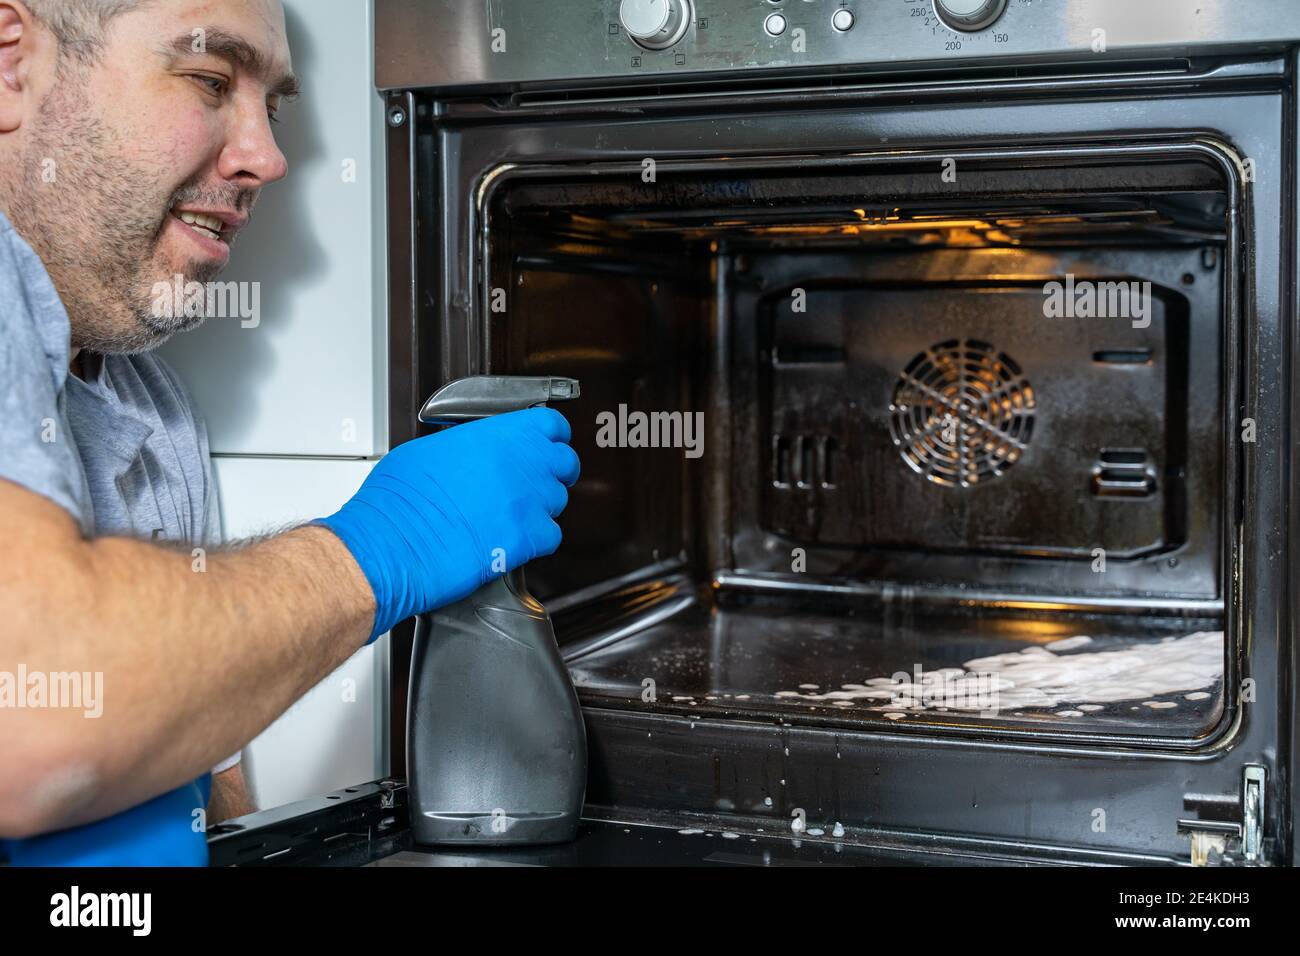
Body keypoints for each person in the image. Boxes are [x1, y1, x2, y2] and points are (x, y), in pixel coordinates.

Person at [0, 0, 579, 865]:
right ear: (13, 62)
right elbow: (32, 718)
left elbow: (213, 775)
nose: (269, 158)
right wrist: (386, 545)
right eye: (207, 78)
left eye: (272, 106)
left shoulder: (150, 408)